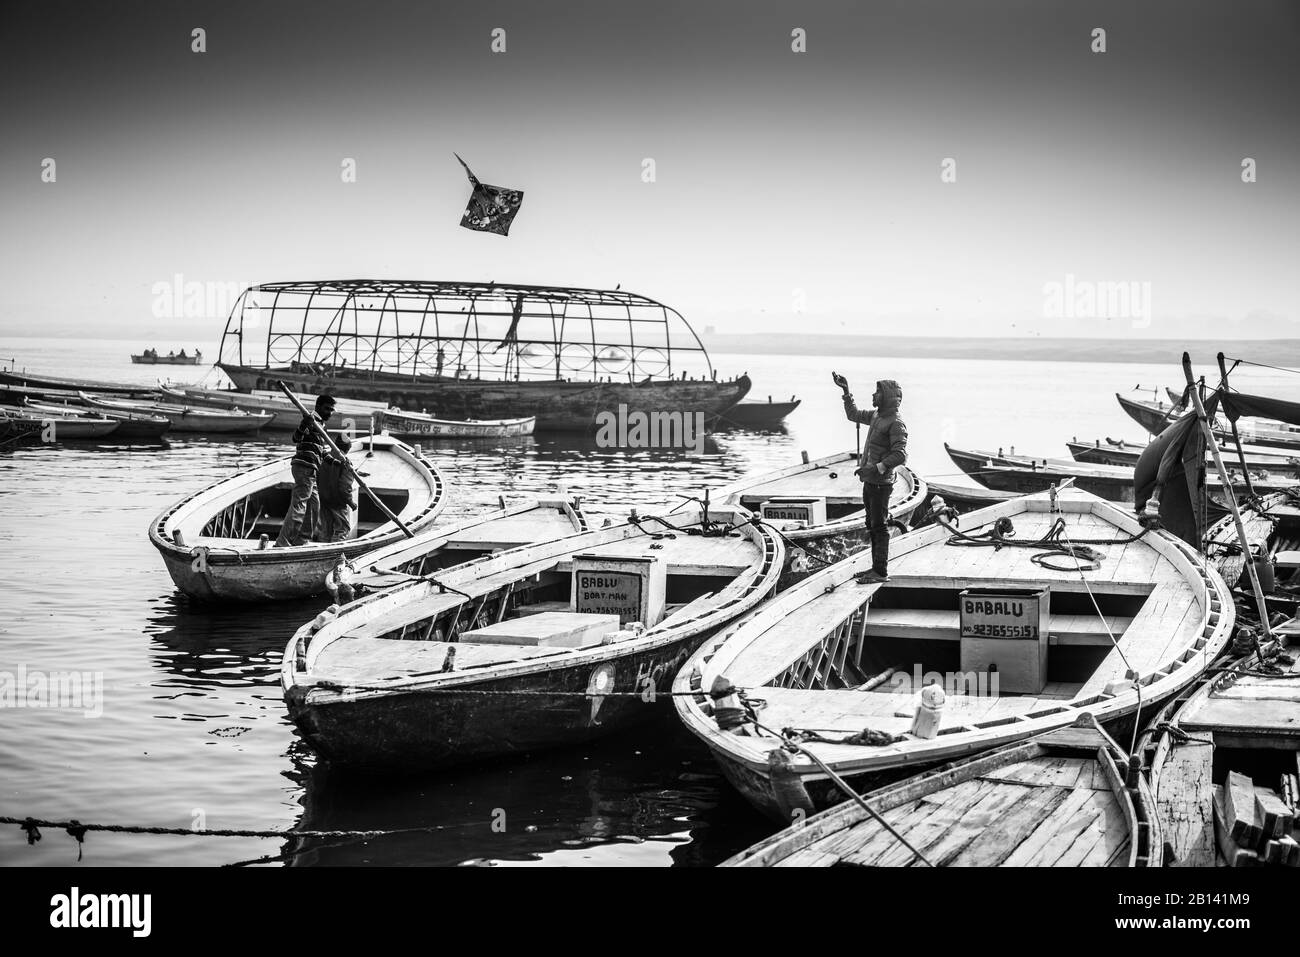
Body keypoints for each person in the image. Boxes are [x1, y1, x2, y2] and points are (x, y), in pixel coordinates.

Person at [833, 372, 908, 583]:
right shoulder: (877, 416)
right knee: (872, 523)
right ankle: (875, 568)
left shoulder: (895, 423)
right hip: (870, 482)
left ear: (886, 397)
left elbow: (900, 454)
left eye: (877, 392)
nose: (873, 395)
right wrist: (846, 392)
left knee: (880, 526)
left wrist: (875, 468)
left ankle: (880, 572)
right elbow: (853, 414)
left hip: (881, 484)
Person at [275, 395, 342, 547]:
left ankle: (302, 540)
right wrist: (305, 423)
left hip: (312, 470)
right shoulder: (310, 420)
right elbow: (296, 438)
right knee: (299, 506)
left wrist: (336, 461)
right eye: (327, 409)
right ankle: (282, 542)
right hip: (304, 468)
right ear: (318, 407)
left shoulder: (321, 426)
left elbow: (321, 451)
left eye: (332, 410)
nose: (330, 413)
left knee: (314, 506)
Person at [315, 453, 357, 542]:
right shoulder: (346, 463)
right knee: (342, 530)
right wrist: (351, 503)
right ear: (348, 448)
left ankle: (322, 550)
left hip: (323, 500)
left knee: (325, 530)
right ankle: (336, 553)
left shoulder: (324, 458)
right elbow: (344, 488)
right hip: (337, 503)